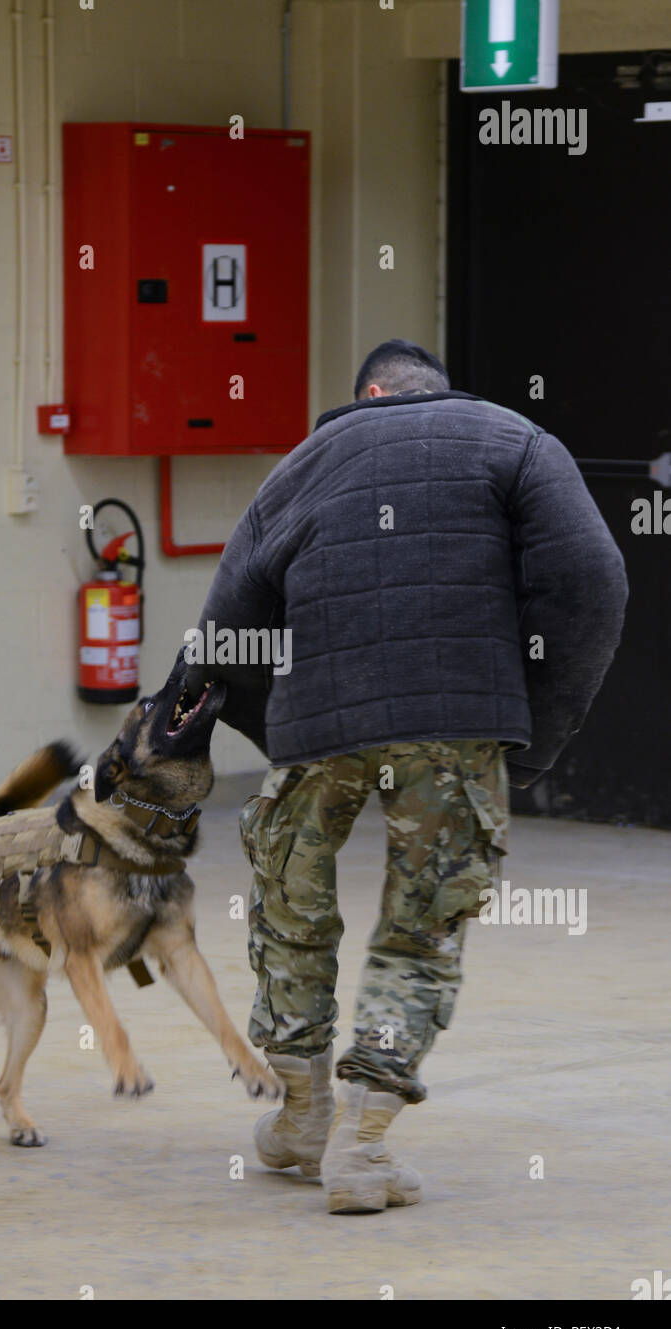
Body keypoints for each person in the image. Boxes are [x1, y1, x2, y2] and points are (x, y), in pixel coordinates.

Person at [182, 339, 628, 1214]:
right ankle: (362, 1145)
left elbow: (228, 620)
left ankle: (301, 1116)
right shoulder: (515, 439)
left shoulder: (301, 464)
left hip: (318, 722)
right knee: (418, 936)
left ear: (371, 394)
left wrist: (255, 728)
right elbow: (592, 580)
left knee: (291, 910)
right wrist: (528, 731)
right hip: (456, 731)